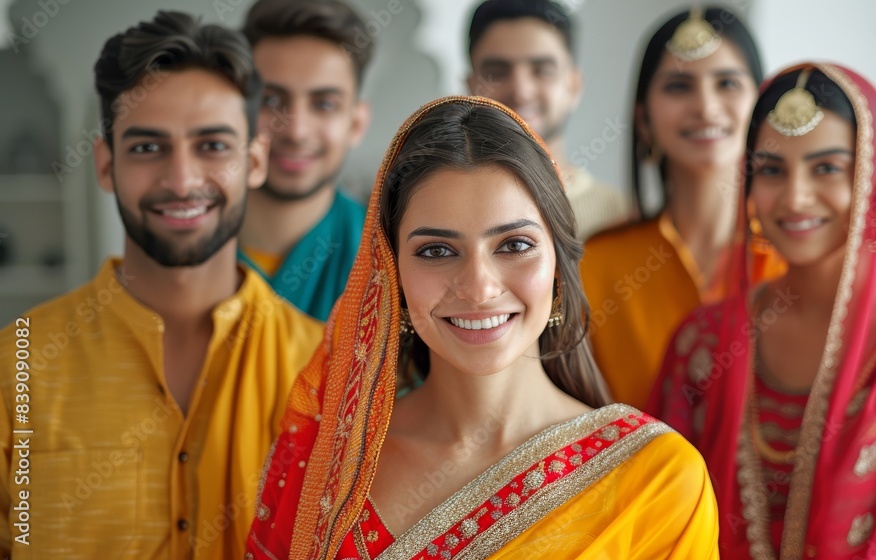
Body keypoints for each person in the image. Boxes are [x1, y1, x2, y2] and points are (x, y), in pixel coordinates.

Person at [244, 96, 719, 559]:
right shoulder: (327, 466)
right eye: (436, 251)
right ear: (391, 274)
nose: (477, 287)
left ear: (557, 263)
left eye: (513, 245)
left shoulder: (655, 479)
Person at [0, 12, 324, 559]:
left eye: (213, 146)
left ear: (255, 160)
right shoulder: (19, 365)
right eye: (148, 148)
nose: (180, 181)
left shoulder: (324, 368)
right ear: (105, 165)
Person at [648, 63, 876, 558]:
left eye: (827, 168)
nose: (795, 196)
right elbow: (660, 521)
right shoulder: (702, 343)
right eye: (771, 169)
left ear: (874, 178)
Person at [581, 6, 785, 409]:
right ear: (643, 120)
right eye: (679, 86)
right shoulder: (595, 267)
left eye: (727, 83)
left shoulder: (794, 259)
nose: (706, 107)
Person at [238, 0, 372, 320]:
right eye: (271, 100)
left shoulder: (387, 262)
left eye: (324, 104)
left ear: (356, 124)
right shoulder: (184, 246)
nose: (296, 131)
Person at [466, 0, 629, 241]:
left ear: (574, 86)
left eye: (542, 70)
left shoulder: (620, 217)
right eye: (496, 72)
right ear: (470, 87)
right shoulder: (434, 206)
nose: (521, 91)